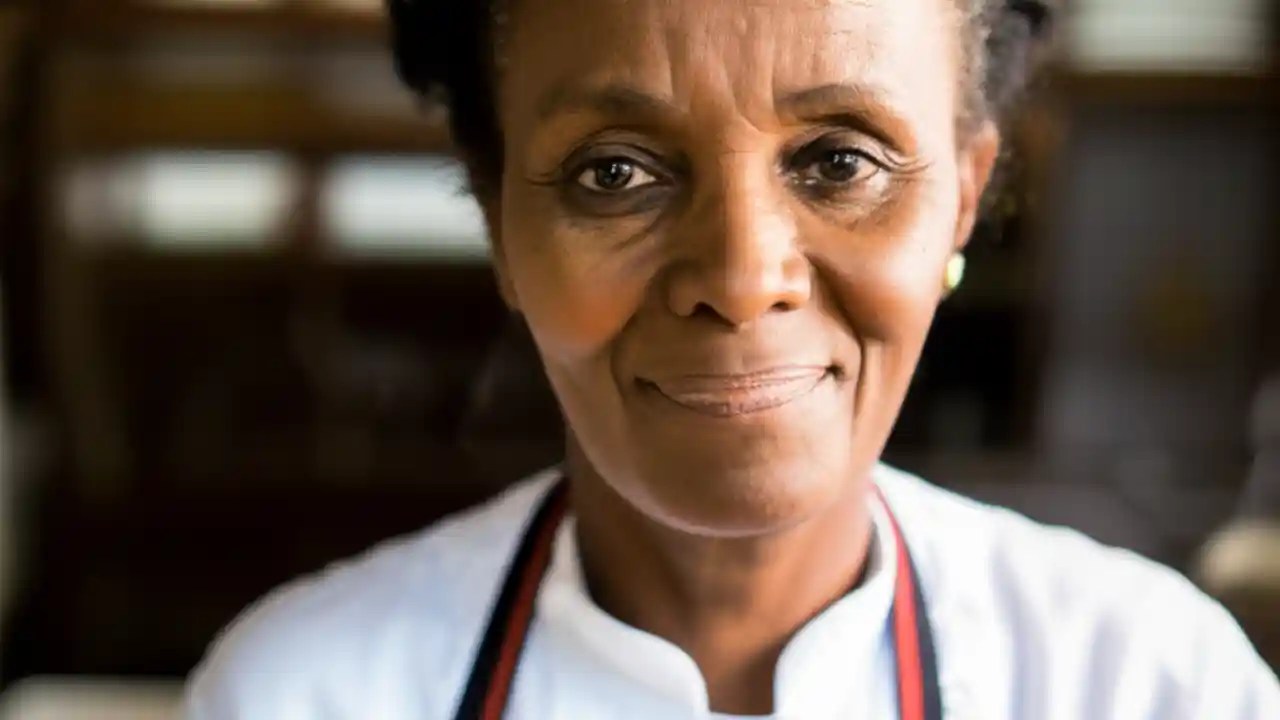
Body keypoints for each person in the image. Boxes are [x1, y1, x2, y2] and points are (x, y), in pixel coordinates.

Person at [183, 0, 1280, 717]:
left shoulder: (1147, 684)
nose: (744, 275)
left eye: (839, 161)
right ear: (496, 221)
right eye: (614, 173)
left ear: (961, 198)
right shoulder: (309, 693)